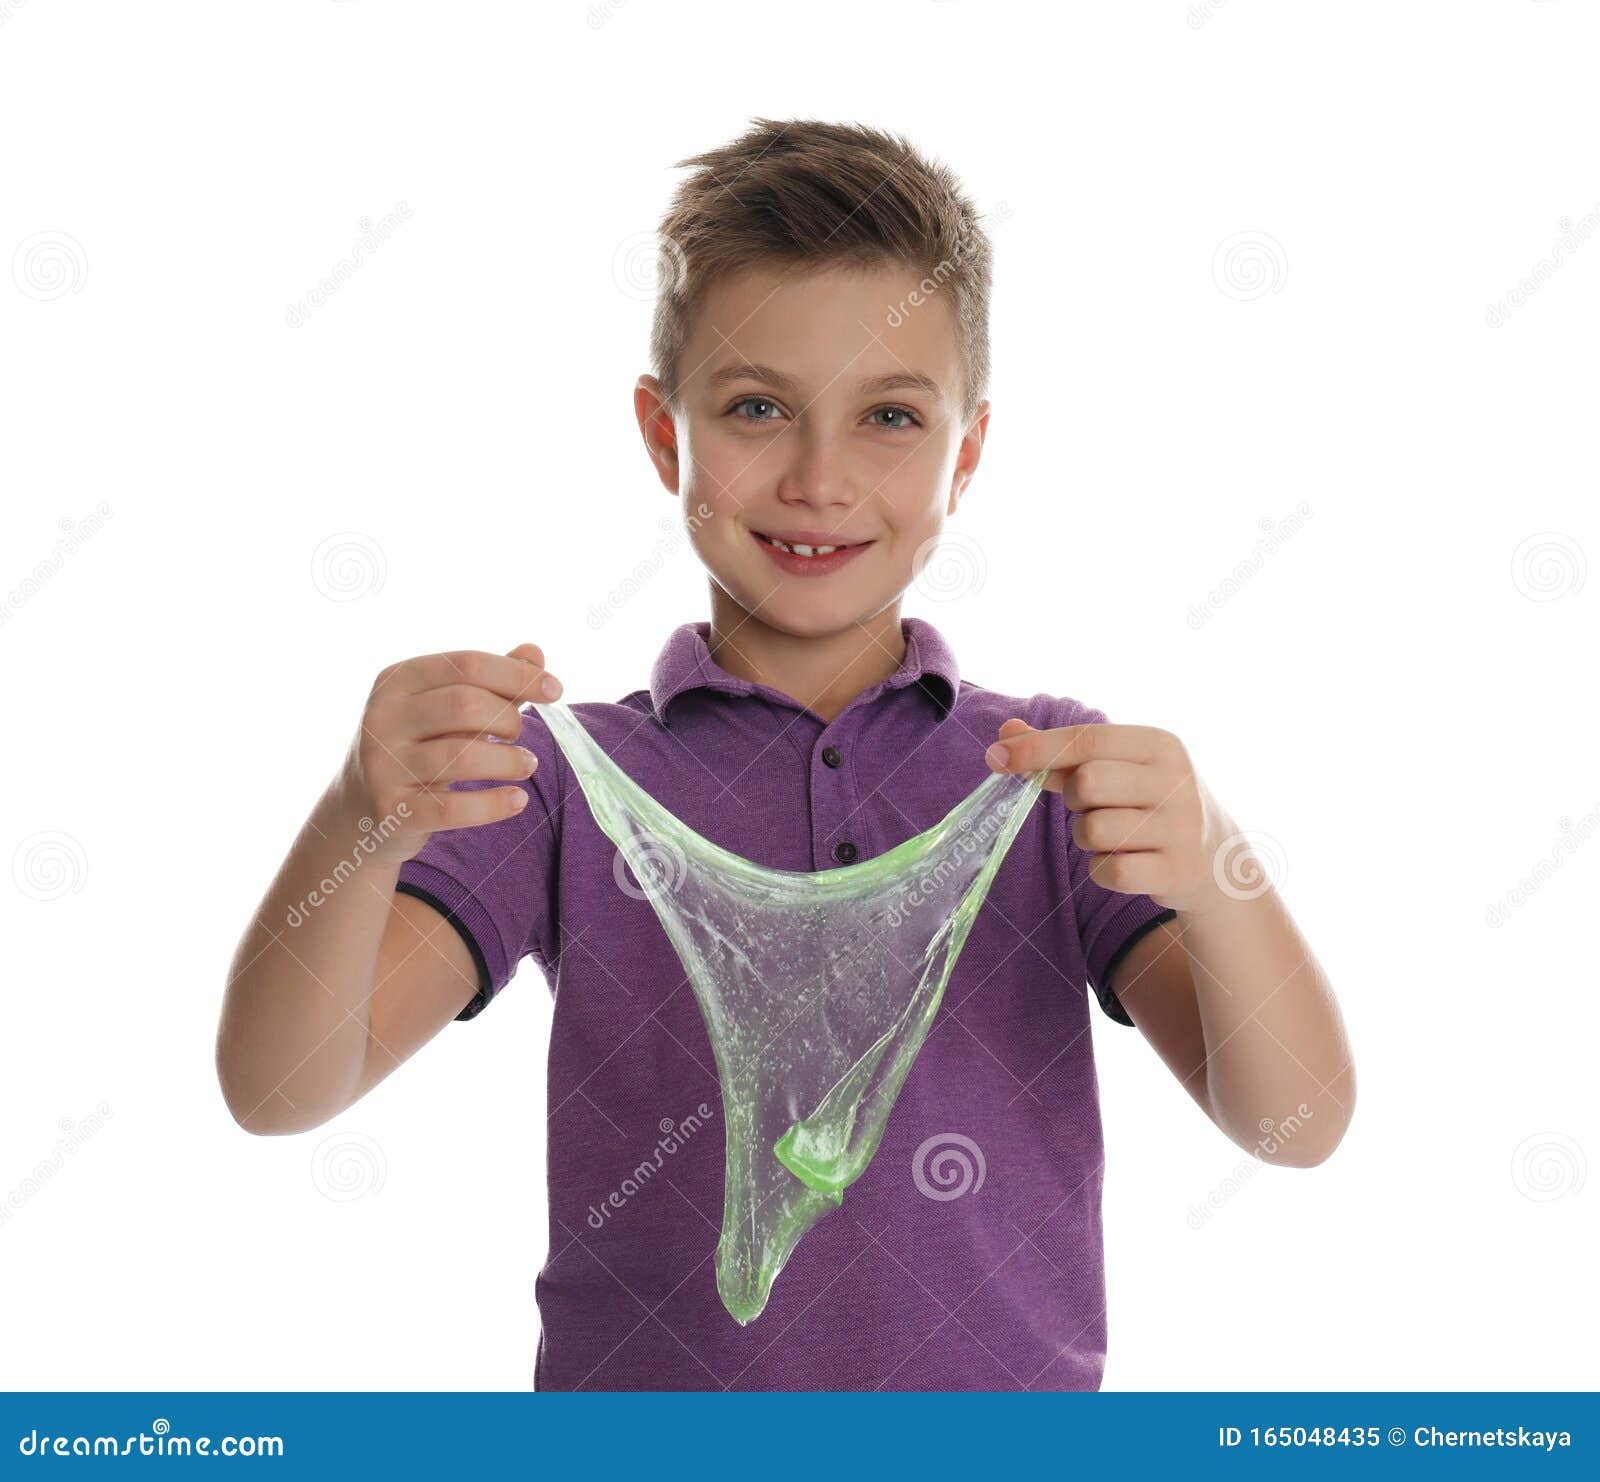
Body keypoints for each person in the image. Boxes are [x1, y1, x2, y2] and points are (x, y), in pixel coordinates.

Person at [216, 117, 1355, 1391]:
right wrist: (354, 816)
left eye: (888, 416)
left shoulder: (1042, 779)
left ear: (965, 453)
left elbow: (1296, 1124)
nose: (820, 478)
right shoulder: (562, 788)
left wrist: (1213, 872)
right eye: (758, 408)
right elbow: (280, 1090)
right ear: (666, 436)